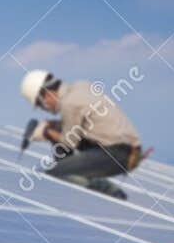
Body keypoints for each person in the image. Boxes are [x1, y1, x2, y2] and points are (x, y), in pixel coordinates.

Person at [18, 69, 145, 200]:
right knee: (57, 129)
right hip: (127, 149)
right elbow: (78, 126)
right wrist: (52, 127)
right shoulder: (80, 87)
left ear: (47, 94)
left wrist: (46, 132)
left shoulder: (69, 103)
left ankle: (107, 192)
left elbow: (68, 143)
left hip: (118, 154)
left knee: (56, 172)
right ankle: (79, 173)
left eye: (40, 104)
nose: (45, 109)